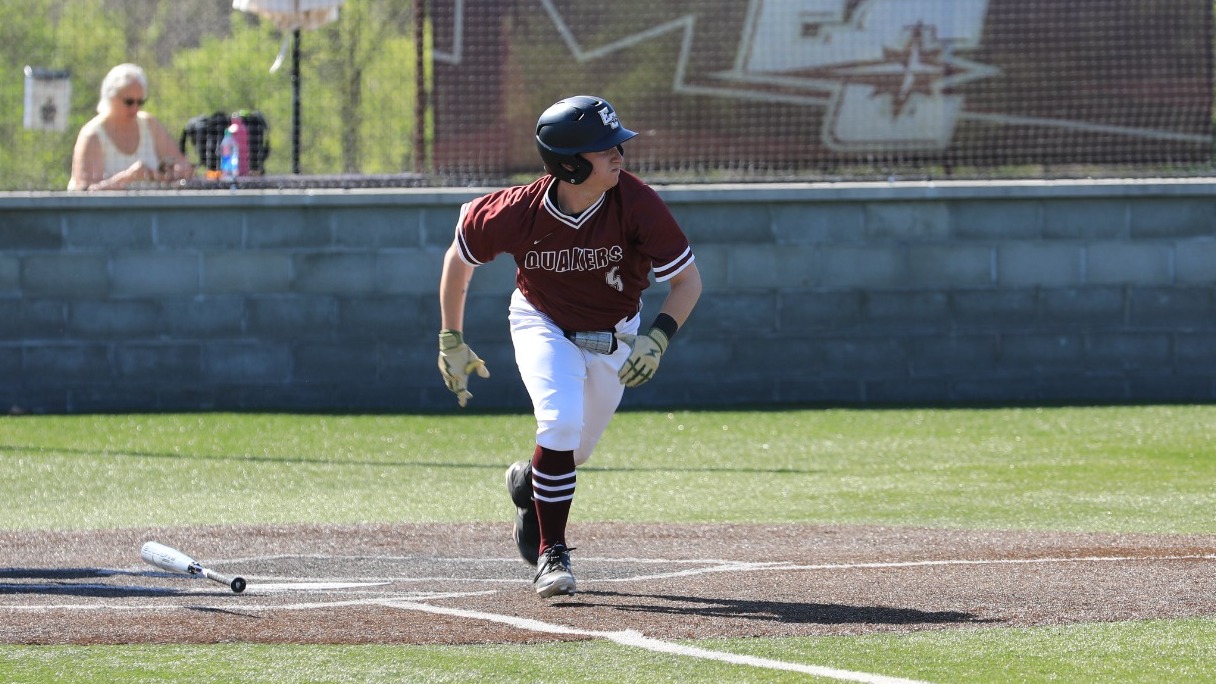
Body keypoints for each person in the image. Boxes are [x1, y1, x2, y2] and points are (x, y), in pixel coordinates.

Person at [437, 95, 702, 598]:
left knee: (572, 453)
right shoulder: (517, 210)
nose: (620, 156)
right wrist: (451, 337)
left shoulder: (637, 203)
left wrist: (658, 338)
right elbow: (460, 258)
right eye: (607, 150)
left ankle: (528, 483)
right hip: (543, 322)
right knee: (558, 423)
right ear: (570, 165)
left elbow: (688, 282)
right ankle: (551, 554)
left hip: (617, 334)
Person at [68, 63, 194, 191]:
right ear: (111, 97)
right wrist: (127, 178)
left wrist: (174, 173)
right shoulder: (92, 135)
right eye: (129, 102)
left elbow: (182, 165)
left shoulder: (149, 124)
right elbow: (84, 192)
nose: (135, 108)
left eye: (140, 102)